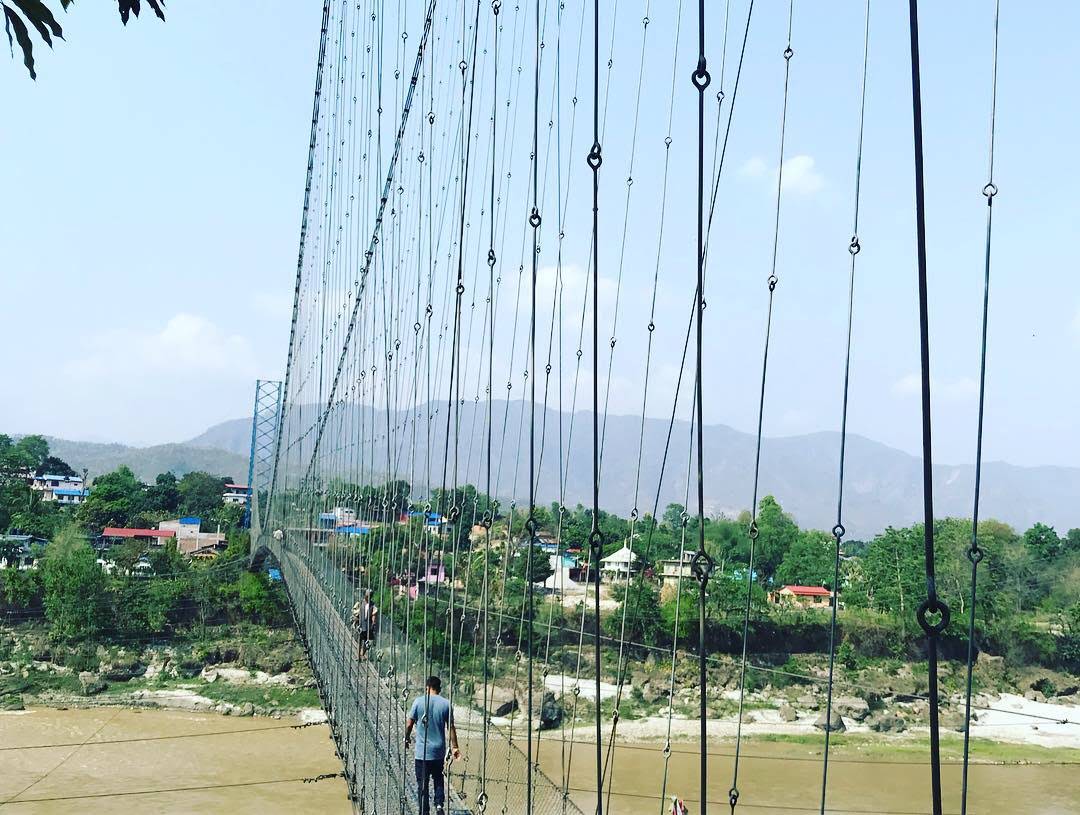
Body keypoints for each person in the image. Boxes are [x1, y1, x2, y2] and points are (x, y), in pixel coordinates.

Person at [404, 675, 460, 815]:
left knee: (422, 783)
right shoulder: (446, 704)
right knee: (438, 778)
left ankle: (424, 811)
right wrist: (455, 747)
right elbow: (451, 727)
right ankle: (439, 806)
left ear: (427, 688)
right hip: (438, 752)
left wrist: (406, 738)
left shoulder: (418, 702)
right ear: (439, 689)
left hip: (422, 752)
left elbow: (410, 723)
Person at [351, 589, 378, 660]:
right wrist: (355, 619)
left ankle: (362, 653)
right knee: (360, 640)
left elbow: (374, 615)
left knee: (368, 641)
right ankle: (358, 655)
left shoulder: (373, 605)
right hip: (361, 624)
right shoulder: (360, 603)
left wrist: (373, 623)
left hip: (368, 626)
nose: (368, 597)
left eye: (370, 595)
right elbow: (355, 611)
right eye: (367, 595)